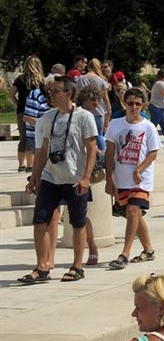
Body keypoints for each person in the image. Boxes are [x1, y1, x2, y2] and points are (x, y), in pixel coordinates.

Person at [20, 78, 100, 284]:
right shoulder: (48, 117)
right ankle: (42, 266)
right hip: (50, 177)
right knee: (40, 220)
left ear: (69, 93)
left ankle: (77, 265)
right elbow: (43, 149)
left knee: (77, 222)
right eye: (50, 91)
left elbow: (91, 149)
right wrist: (35, 176)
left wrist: (85, 178)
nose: (51, 95)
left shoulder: (84, 117)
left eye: (56, 91)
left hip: (74, 178)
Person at [104, 86, 161, 270]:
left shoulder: (148, 127)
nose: (134, 107)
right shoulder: (115, 124)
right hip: (121, 178)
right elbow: (110, 152)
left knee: (133, 211)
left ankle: (125, 253)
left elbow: (153, 153)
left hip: (141, 179)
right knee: (134, 215)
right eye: (130, 103)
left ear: (143, 106)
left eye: (138, 104)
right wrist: (108, 179)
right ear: (124, 104)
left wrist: (139, 169)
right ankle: (149, 249)